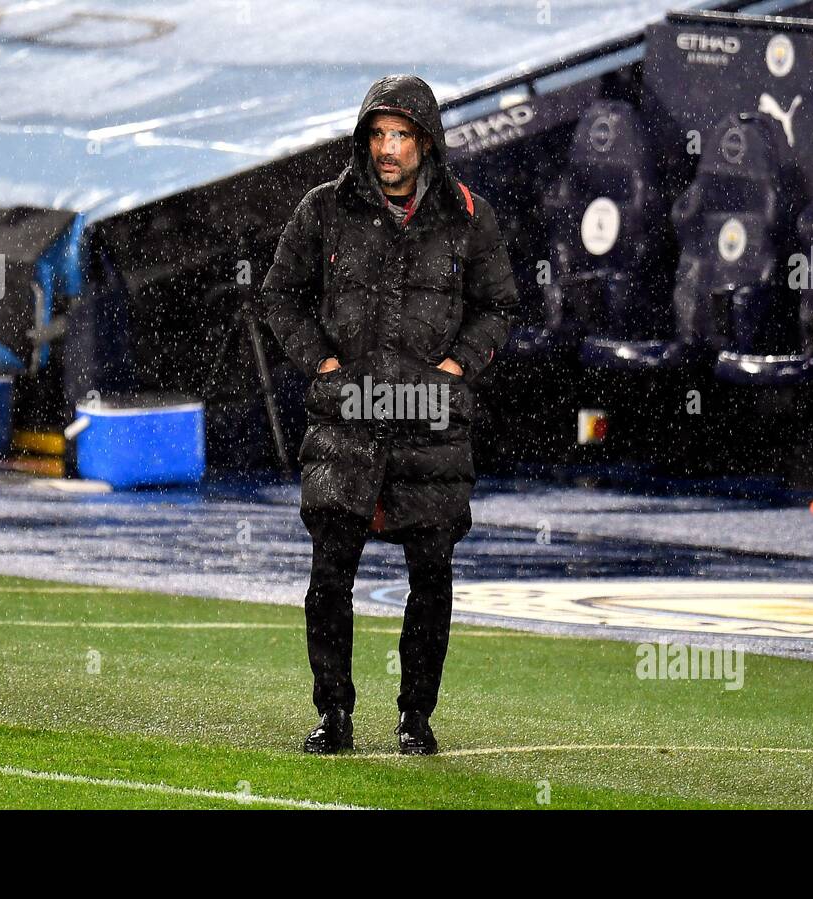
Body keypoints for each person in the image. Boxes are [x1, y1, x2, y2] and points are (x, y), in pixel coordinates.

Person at [258, 74, 518, 754]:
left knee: (431, 575)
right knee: (328, 576)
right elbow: (280, 295)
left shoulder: (469, 215)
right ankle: (333, 715)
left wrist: (458, 367)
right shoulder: (323, 211)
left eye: (400, 135)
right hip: (346, 419)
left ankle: (415, 718)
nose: (388, 149)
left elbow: (500, 305)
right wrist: (322, 364)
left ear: (425, 141)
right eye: (377, 134)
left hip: (431, 420)